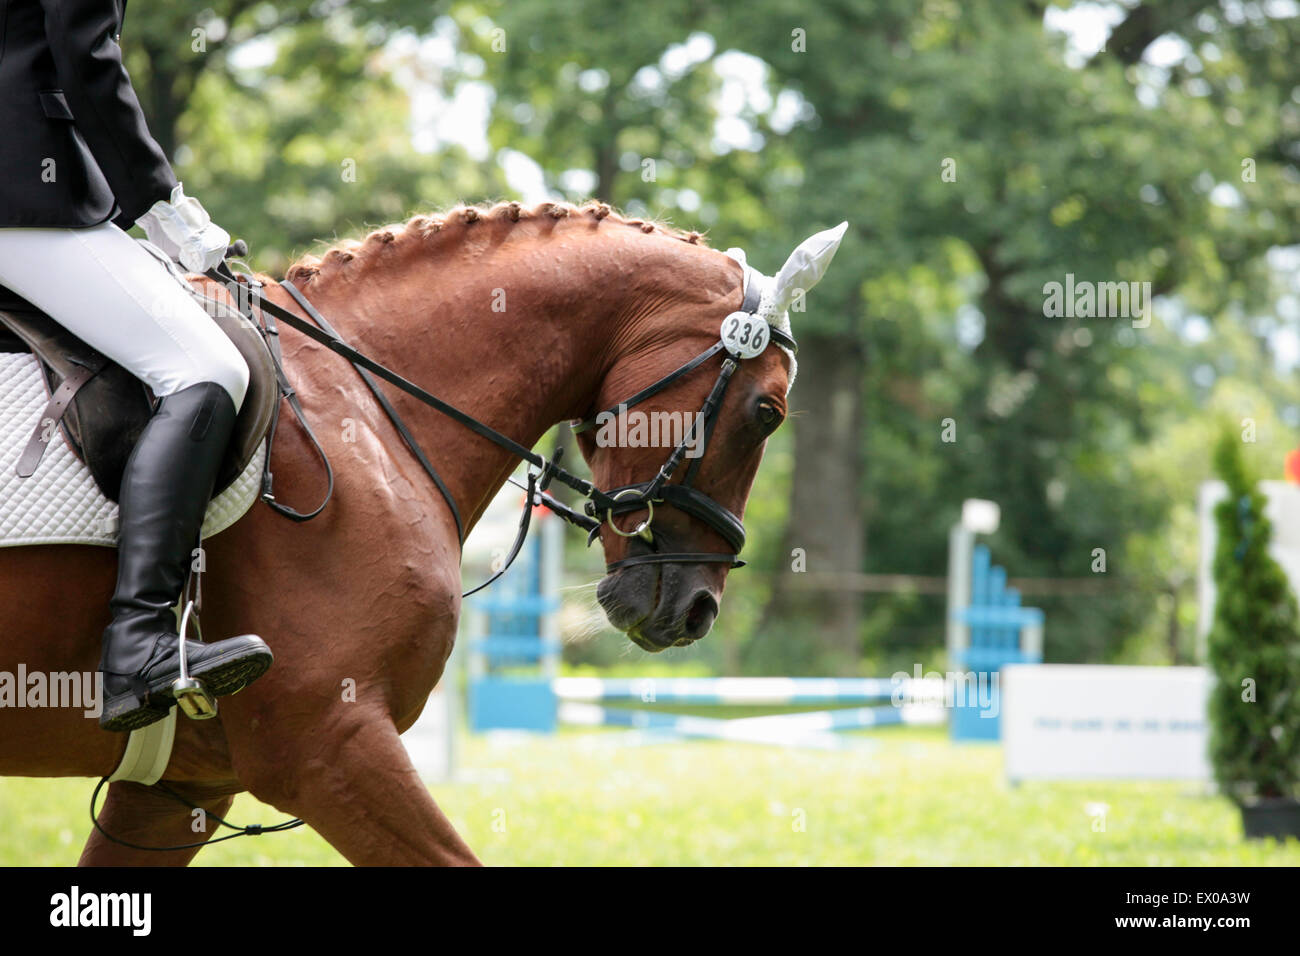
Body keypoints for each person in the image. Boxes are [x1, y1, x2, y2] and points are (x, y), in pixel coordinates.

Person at [0, 0, 273, 731]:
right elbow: (81, 46)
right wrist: (161, 203)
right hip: (21, 189)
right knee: (206, 368)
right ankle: (141, 647)